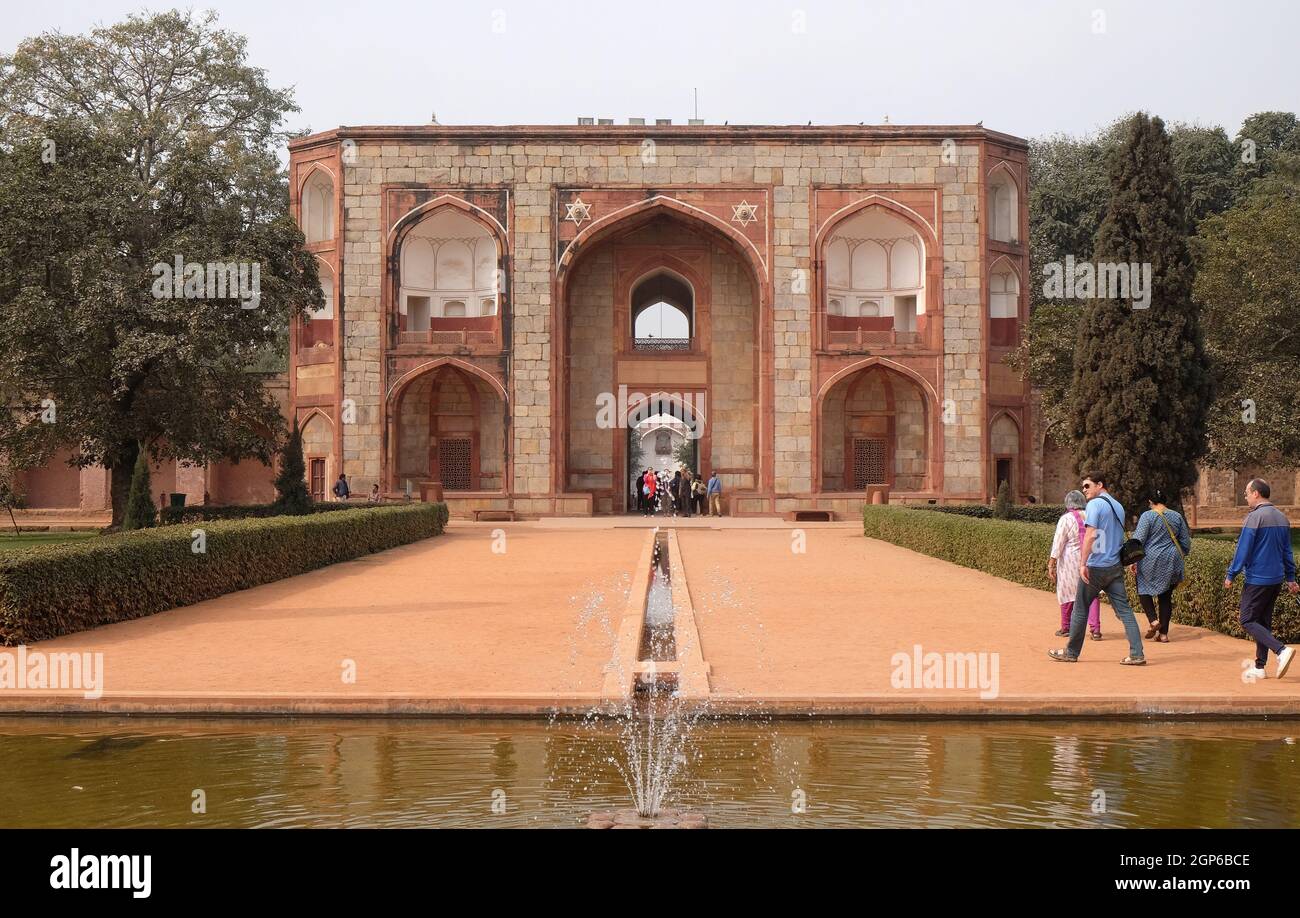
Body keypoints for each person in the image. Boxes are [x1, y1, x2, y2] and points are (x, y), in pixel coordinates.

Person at [1048, 471, 1146, 665]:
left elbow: (1091, 534)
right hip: (1115, 566)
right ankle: (1137, 654)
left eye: (1087, 486)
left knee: (1080, 608)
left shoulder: (1094, 504)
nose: (1084, 490)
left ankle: (1071, 652)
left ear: (1100, 484)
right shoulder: (1117, 506)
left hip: (1096, 566)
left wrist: (1083, 563)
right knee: (1125, 611)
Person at [1225, 478, 1298, 680]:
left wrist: (1232, 573)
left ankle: (1281, 650)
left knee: (1247, 619)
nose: (1246, 497)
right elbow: (1287, 551)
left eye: (1247, 493)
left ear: (1256, 493)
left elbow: (1243, 549)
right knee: (1263, 622)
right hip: (1276, 579)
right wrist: (1291, 577)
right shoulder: (1282, 517)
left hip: (1258, 579)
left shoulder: (1254, 518)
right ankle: (1259, 666)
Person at [1131, 489, 1191, 643]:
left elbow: (1139, 540)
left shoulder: (1147, 516)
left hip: (1150, 559)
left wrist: (1133, 560)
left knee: (1143, 589)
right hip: (1172, 559)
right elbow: (1185, 542)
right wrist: (1179, 553)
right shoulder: (1176, 516)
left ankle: (1154, 621)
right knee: (1165, 596)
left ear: (1151, 502)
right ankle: (1163, 635)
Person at [1048, 490, 1102, 640]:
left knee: (1067, 594)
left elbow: (1058, 543)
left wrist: (1051, 563)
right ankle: (1095, 629)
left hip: (1070, 562)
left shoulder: (1066, 519)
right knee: (1091, 595)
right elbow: (1099, 540)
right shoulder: (1092, 516)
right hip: (1091, 560)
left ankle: (1066, 627)